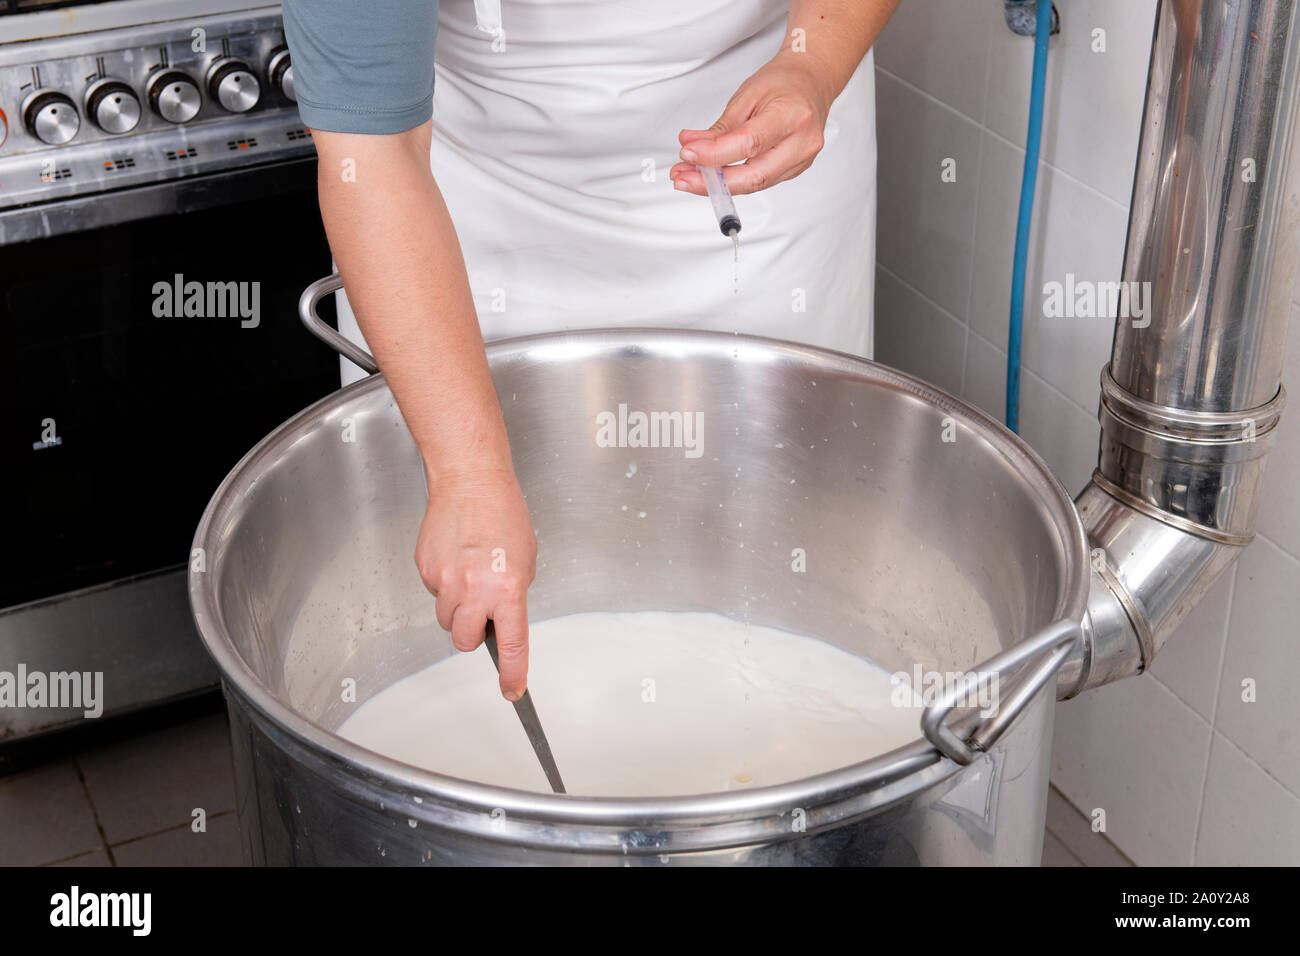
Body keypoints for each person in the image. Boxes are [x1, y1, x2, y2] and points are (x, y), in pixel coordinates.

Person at [281, 0, 899, 701]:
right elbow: (373, 152)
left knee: (786, 610)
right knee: (464, 613)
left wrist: (812, 62)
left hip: (761, 174)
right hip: (465, 198)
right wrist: (467, 474)